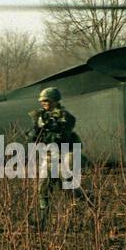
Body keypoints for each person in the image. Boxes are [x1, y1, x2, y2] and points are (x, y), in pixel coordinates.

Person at [29, 87, 82, 225]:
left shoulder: (65, 116)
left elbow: (62, 136)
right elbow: (33, 137)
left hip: (64, 156)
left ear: (55, 100)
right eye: (42, 101)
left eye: (47, 100)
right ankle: (43, 219)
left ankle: (87, 204)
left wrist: (50, 128)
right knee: (43, 188)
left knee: (68, 187)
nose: (44, 103)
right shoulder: (40, 116)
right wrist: (36, 130)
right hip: (48, 156)